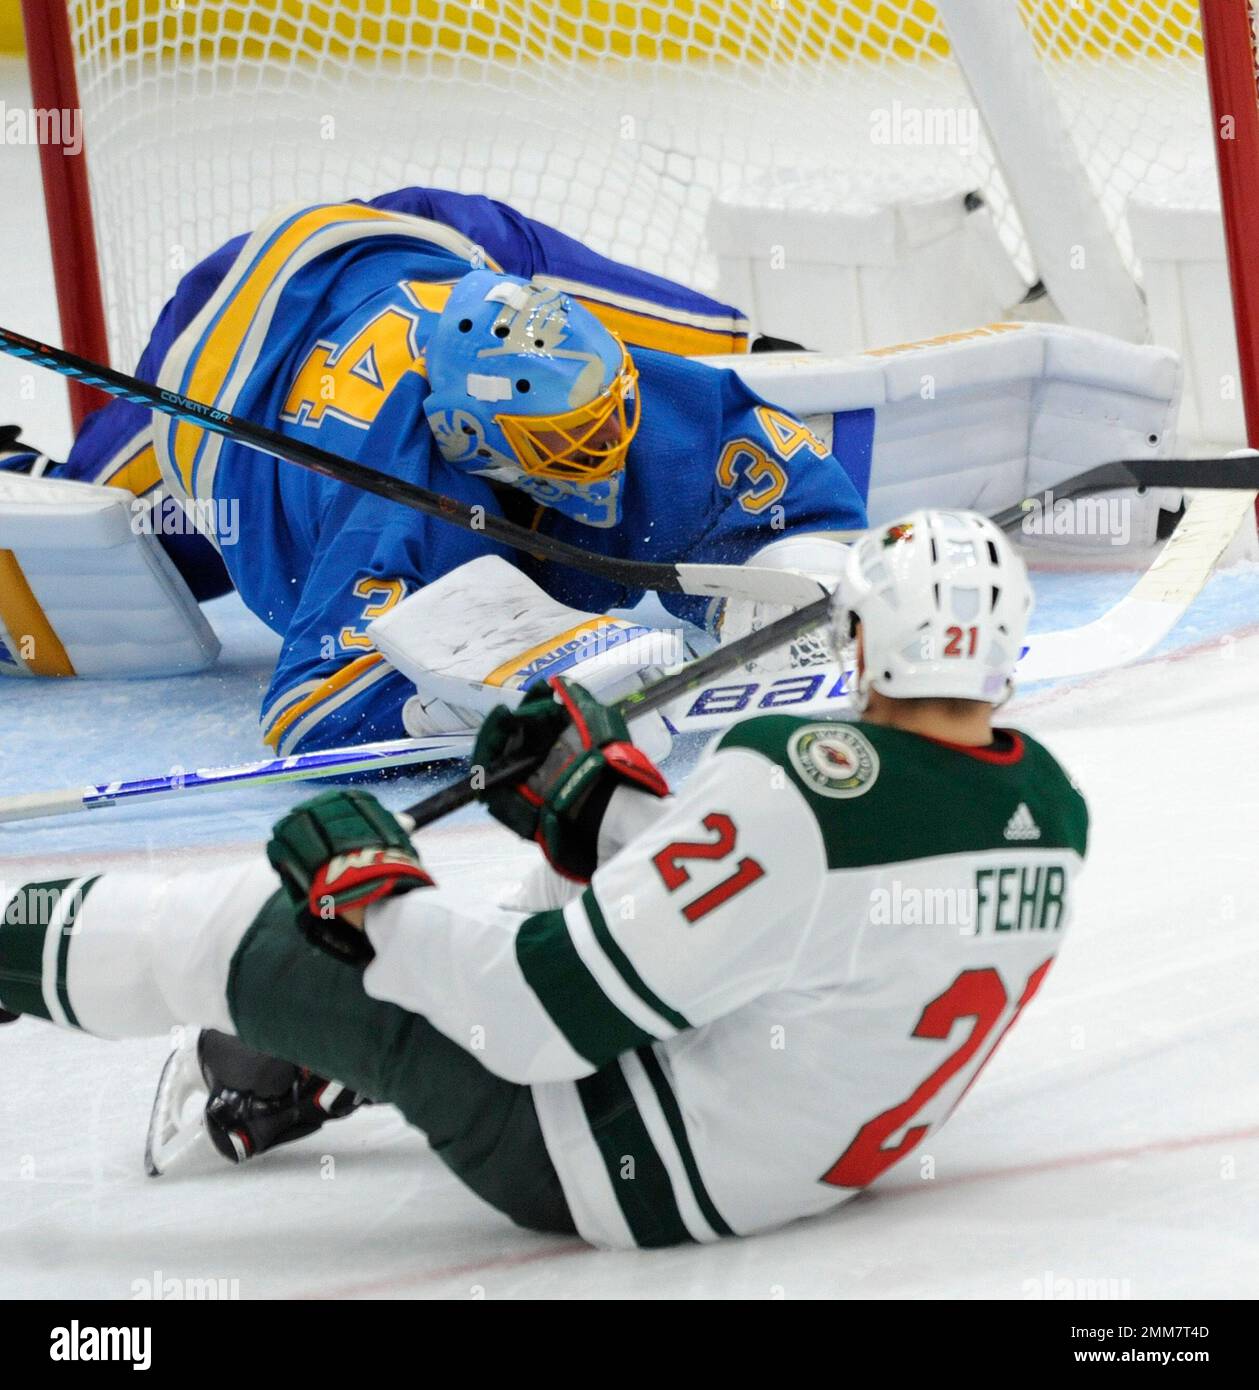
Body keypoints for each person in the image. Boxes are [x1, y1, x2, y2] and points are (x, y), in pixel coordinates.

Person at [0, 509, 1088, 1246]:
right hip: (778, 1149)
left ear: (859, 634)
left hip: (599, 1157)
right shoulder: (1051, 805)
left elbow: (530, 1020)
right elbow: (801, 904)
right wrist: (602, 803)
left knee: (245, 921)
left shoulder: (795, 778)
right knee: (556, 890)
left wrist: (372, 895)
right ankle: (332, 1054)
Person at [0, 187, 868, 750]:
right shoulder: (381, 500)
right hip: (226, 360)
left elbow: (722, 454)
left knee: (549, 286)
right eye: (568, 447)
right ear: (471, 443)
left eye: (602, 420)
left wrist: (795, 562)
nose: (605, 458)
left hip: (403, 238)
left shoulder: (586, 381)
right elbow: (313, 701)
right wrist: (462, 707)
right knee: (116, 523)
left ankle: (750, 343)